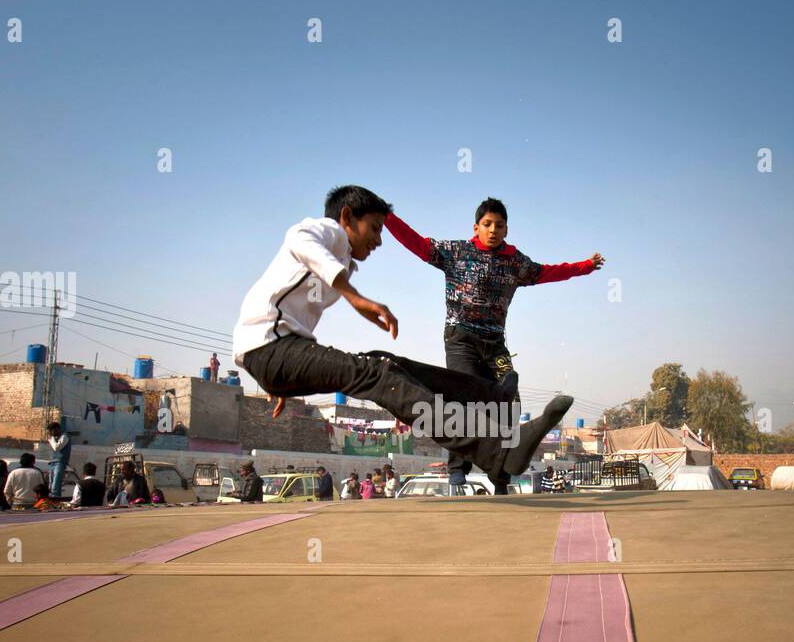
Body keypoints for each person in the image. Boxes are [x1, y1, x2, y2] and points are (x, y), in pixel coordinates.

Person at [231, 186, 573, 487]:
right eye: (375, 228)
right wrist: (354, 297)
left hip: (281, 353)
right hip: (268, 348)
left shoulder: (343, 260)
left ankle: (492, 396)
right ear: (348, 216)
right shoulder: (324, 230)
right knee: (377, 373)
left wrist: (283, 382)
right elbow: (300, 241)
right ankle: (496, 451)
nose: (378, 240)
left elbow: (294, 317)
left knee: (389, 363)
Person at [383, 198, 602, 495]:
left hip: (495, 345)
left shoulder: (515, 262)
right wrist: (386, 217)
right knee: (464, 398)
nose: (493, 230)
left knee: (509, 404)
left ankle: (501, 475)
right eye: (487, 225)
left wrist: (585, 267)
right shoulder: (456, 252)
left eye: (499, 225)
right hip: (461, 339)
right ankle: (457, 471)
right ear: (476, 227)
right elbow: (418, 244)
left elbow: (549, 272)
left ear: (507, 229)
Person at [46, 422, 72, 499]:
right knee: (51, 483)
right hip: (52, 462)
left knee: (56, 484)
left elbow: (56, 447)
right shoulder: (54, 438)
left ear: (56, 429)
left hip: (60, 462)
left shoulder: (64, 437)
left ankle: (55, 499)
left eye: (51, 431)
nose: (50, 433)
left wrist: (51, 439)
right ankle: (51, 497)